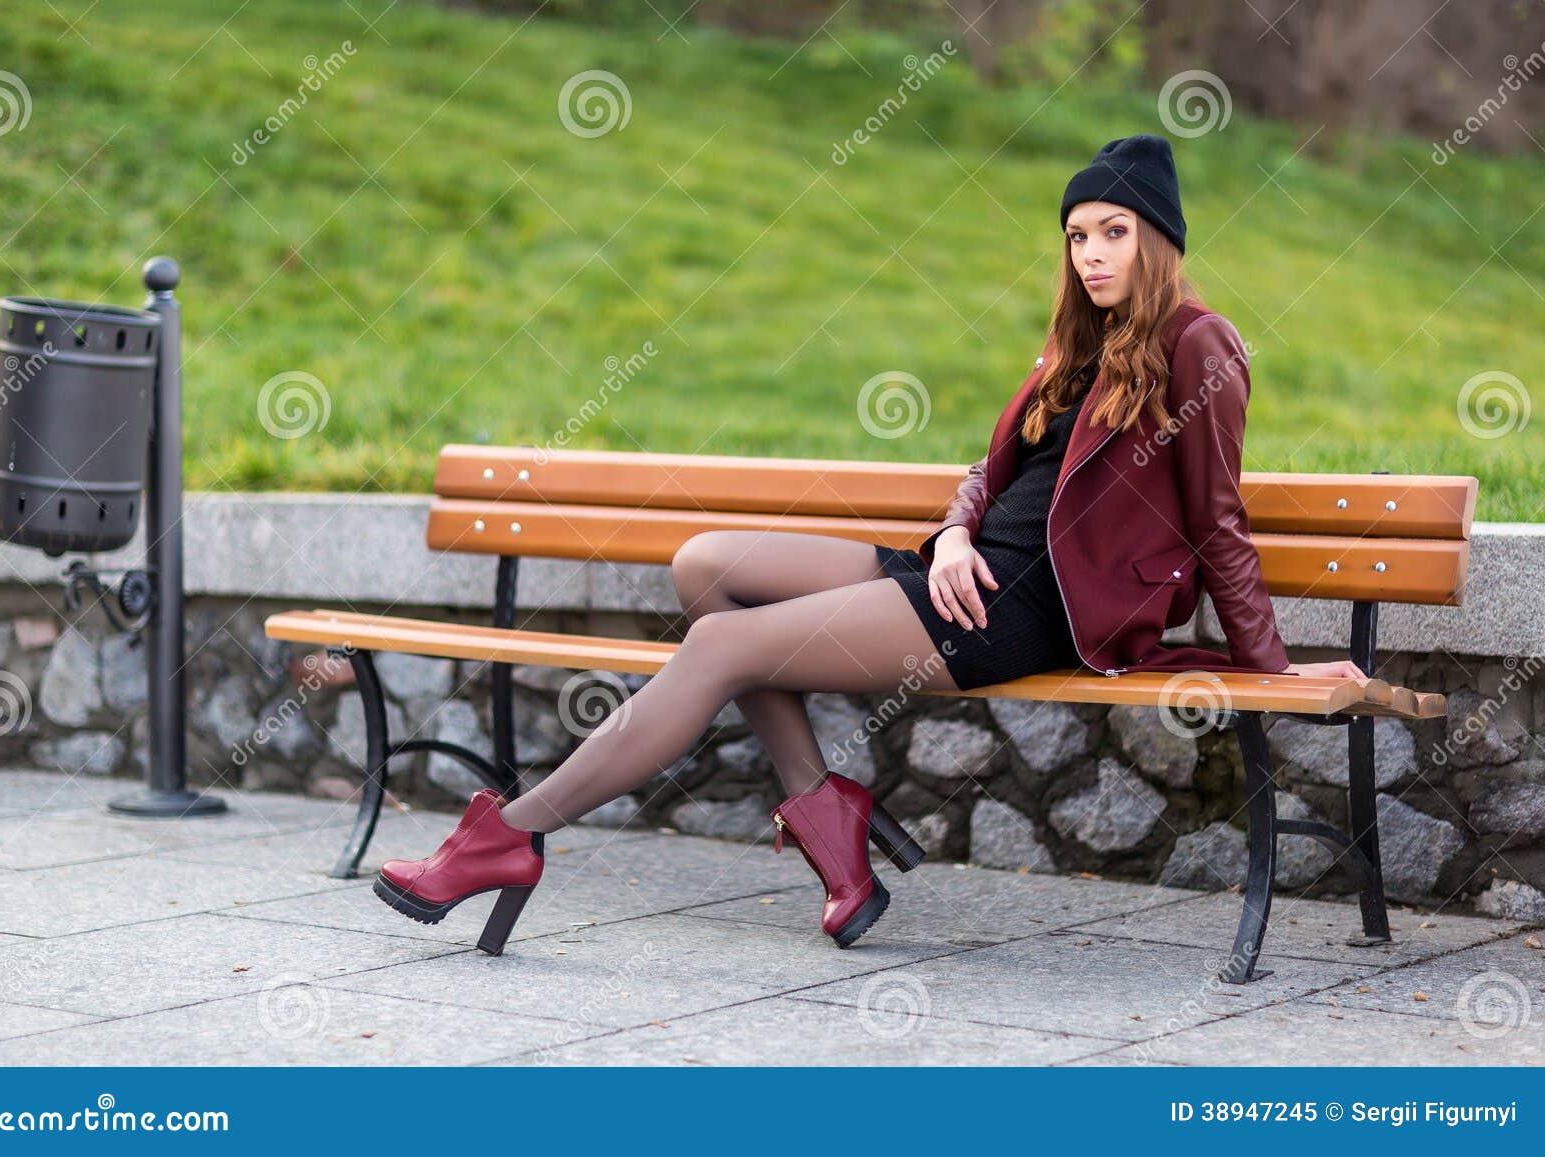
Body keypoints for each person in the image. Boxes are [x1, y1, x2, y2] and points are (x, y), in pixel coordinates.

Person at [370, 133, 1369, 957]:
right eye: (1075, 235)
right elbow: (991, 473)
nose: (1092, 253)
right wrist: (946, 534)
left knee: (721, 646)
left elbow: (1217, 519)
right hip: (962, 568)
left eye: (1113, 231)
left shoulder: (1201, 345)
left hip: (1022, 608)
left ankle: (510, 835)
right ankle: (826, 819)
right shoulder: (1077, 345)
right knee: (705, 568)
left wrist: (1267, 668)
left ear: (1158, 237)